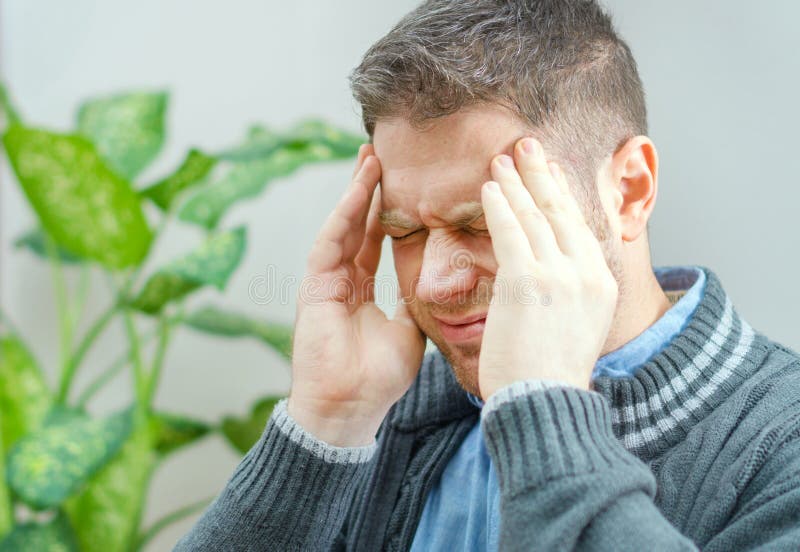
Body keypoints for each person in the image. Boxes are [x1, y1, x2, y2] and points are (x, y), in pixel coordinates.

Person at [176, 1, 800, 550]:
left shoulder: (780, 451)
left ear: (630, 191)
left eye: (483, 222)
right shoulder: (390, 416)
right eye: (405, 234)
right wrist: (330, 423)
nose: (434, 284)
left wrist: (545, 411)